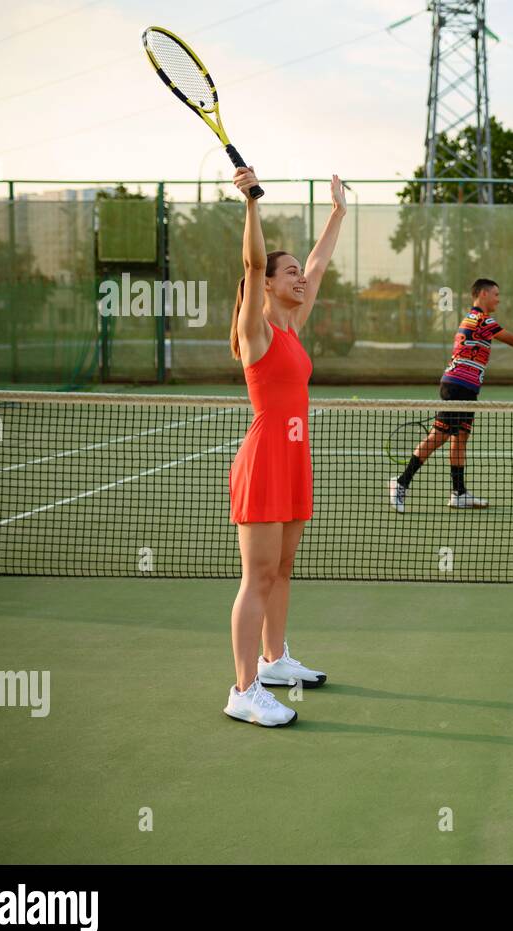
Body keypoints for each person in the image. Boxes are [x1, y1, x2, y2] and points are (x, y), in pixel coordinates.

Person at [223, 167, 345, 727]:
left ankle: (275, 662)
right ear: (266, 284)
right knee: (258, 575)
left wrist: (337, 213)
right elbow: (251, 263)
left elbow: (318, 265)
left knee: (284, 569)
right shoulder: (259, 332)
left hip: (296, 458)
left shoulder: (294, 326)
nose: (301, 278)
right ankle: (243, 689)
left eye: (300, 272)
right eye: (289, 272)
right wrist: (251, 204)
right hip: (265, 459)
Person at [389, 279, 513, 511]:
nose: (498, 299)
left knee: (460, 437)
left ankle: (459, 493)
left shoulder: (475, 319)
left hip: (467, 388)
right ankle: (401, 483)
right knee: (438, 438)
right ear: (482, 294)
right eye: (496, 294)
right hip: (457, 387)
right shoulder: (481, 320)